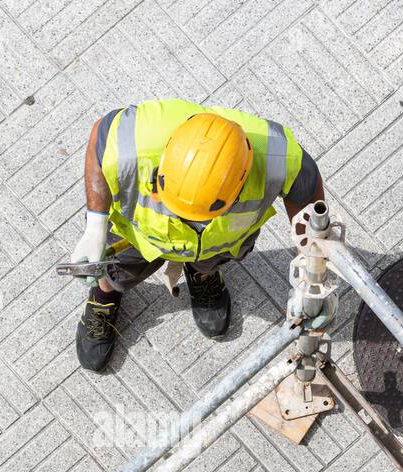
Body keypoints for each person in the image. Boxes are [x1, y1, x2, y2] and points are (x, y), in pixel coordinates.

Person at [68, 98, 325, 371]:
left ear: (239, 185)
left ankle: (202, 274)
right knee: (118, 269)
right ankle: (105, 295)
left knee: (212, 257)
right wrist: (94, 228)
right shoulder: (133, 142)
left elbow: (311, 208)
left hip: (217, 242)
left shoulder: (277, 157)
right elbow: (100, 138)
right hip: (139, 236)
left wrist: (310, 277)